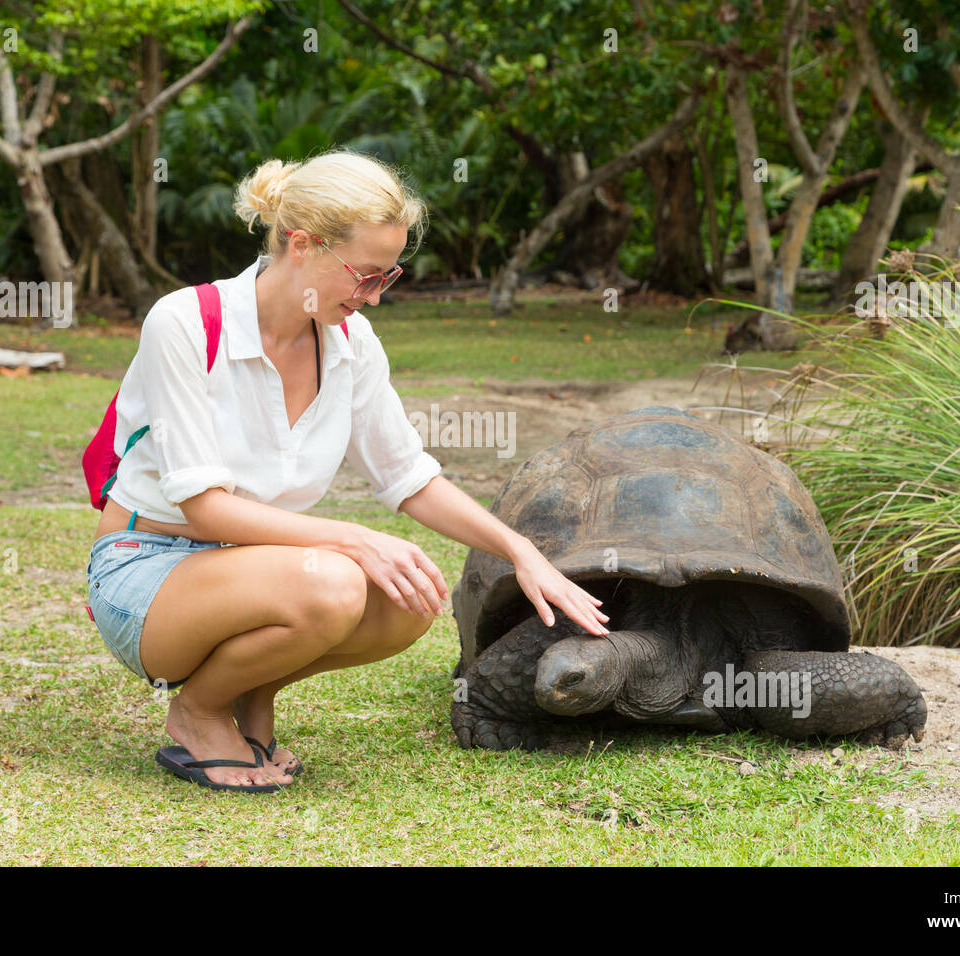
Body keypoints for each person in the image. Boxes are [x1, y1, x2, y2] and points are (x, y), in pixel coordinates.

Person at [85, 149, 609, 792]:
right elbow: (204, 508)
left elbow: (408, 476)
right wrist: (355, 539)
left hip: (258, 573)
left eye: (387, 277)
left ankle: (252, 696)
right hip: (148, 566)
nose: (375, 297)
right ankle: (196, 712)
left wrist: (518, 549)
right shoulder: (186, 323)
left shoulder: (352, 344)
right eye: (364, 276)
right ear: (301, 245)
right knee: (335, 580)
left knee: (408, 597)